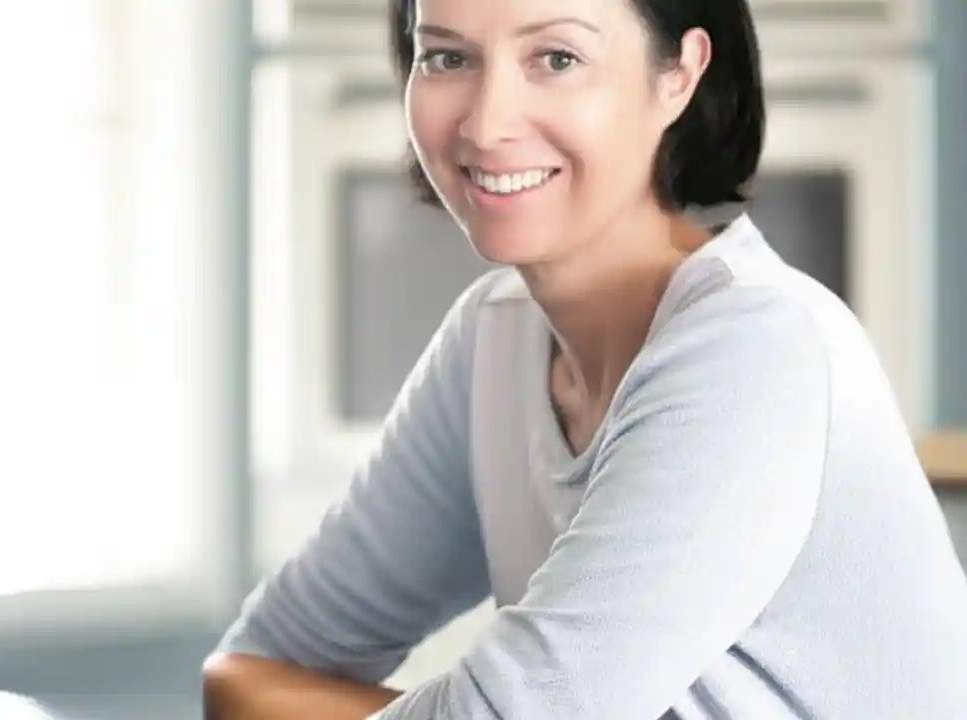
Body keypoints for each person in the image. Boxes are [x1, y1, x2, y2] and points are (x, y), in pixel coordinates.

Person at [203, 0, 967, 716]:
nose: (487, 122)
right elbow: (250, 673)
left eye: (557, 58)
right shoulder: (495, 339)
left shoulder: (756, 342)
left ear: (679, 74)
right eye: (444, 59)